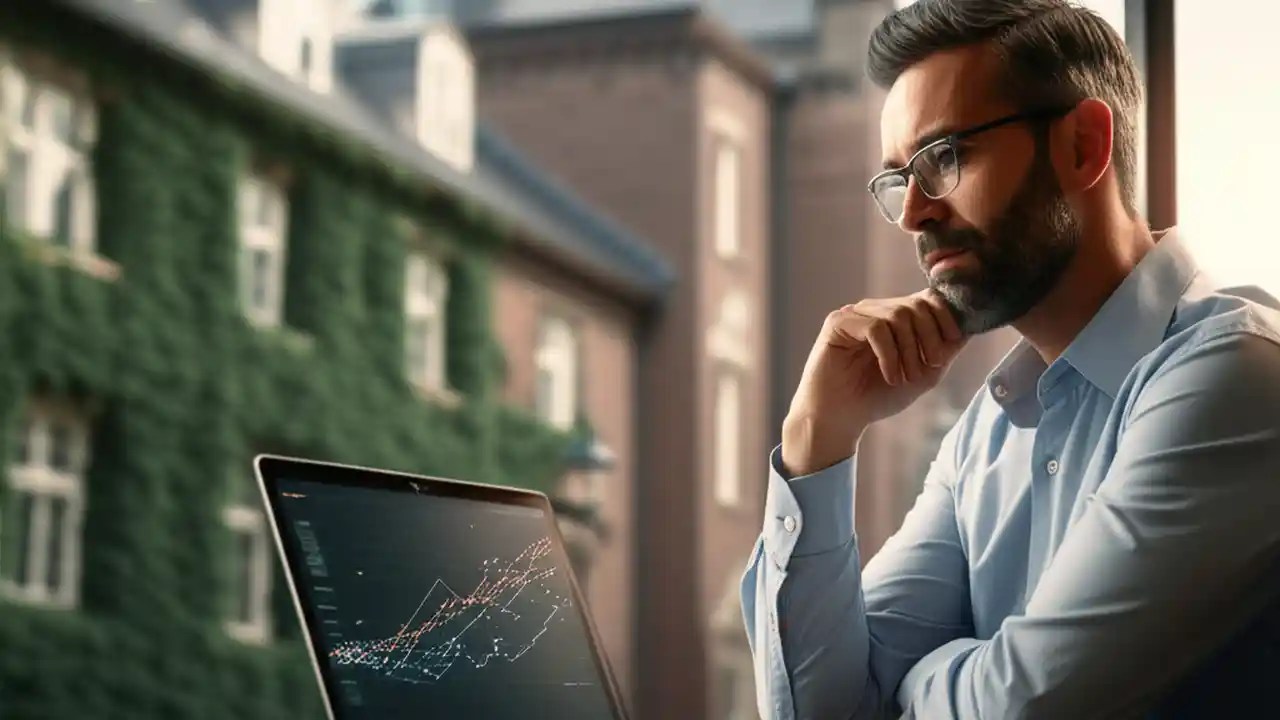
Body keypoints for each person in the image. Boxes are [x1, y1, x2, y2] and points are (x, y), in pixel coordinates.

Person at [740, 1, 1280, 718]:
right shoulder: (983, 439)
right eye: (899, 179)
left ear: (1084, 146)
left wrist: (917, 678)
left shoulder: (1234, 375)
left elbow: (1020, 708)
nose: (914, 213)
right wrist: (816, 440)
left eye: (945, 158)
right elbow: (822, 711)